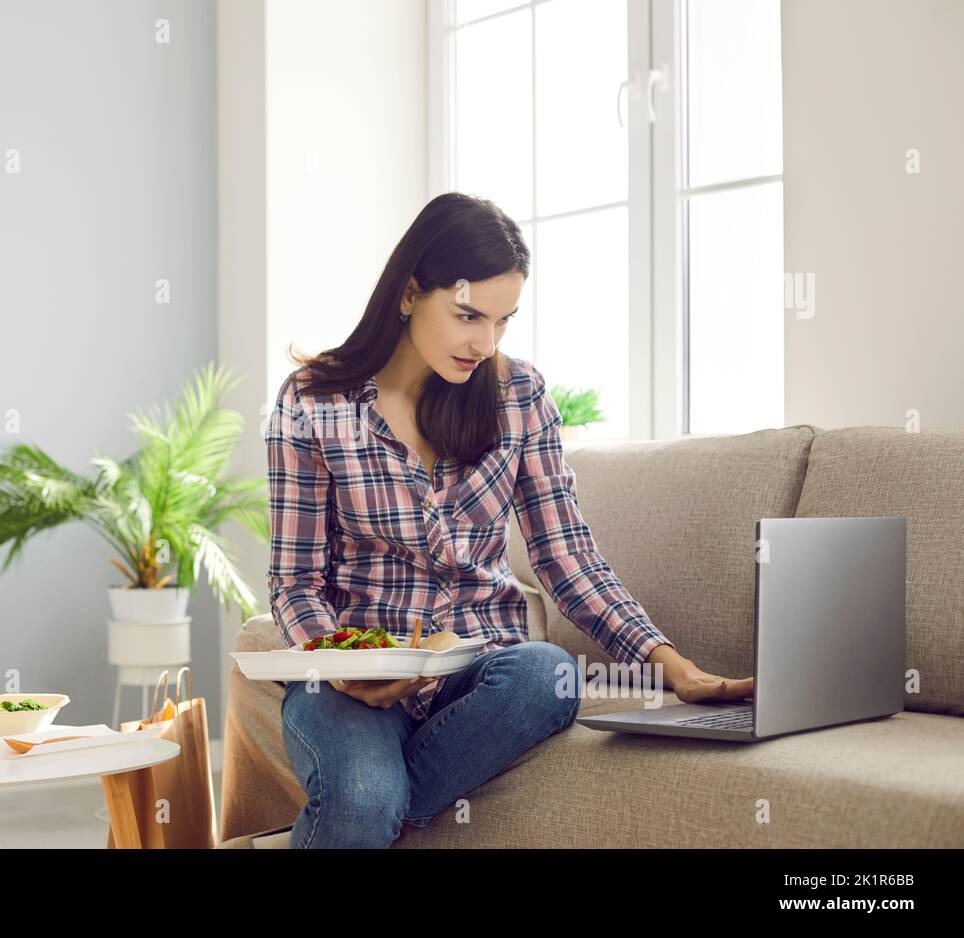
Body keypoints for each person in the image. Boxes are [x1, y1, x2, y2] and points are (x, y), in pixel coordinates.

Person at [264, 192, 754, 849]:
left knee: (547, 674)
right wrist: (344, 663)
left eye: (502, 320)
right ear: (410, 292)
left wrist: (672, 664)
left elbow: (568, 559)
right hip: (350, 682)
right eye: (467, 315)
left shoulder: (519, 396)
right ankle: (371, 812)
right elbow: (296, 582)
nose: (484, 342)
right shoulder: (315, 402)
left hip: (480, 672)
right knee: (360, 796)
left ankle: (376, 820)